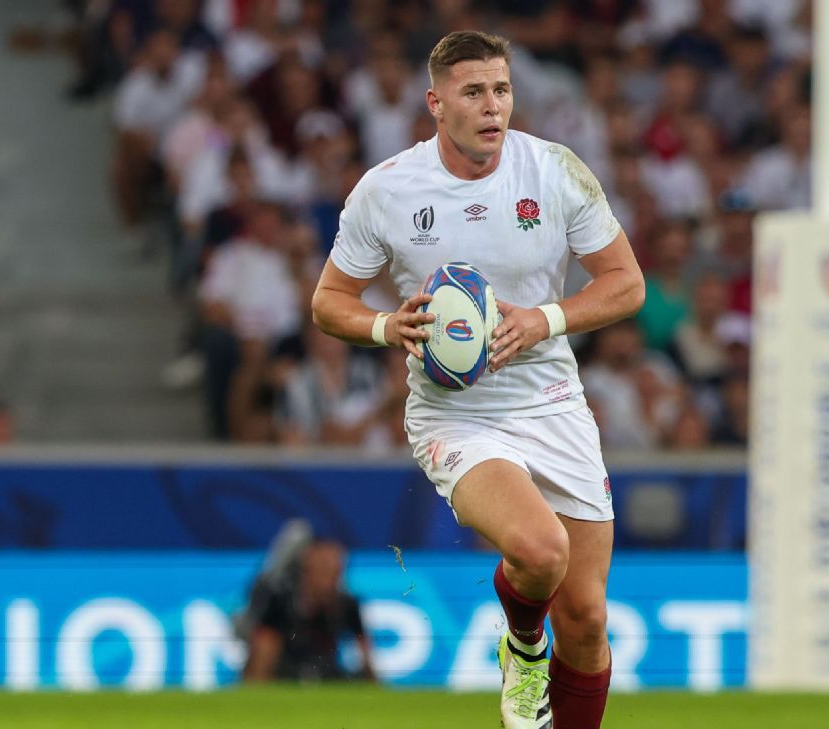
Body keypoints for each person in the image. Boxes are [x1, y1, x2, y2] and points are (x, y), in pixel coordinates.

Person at [310, 31, 643, 729]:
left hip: (552, 401)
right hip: (456, 414)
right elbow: (328, 301)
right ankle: (523, 648)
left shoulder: (553, 171)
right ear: (436, 103)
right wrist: (383, 326)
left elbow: (626, 283)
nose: (493, 107)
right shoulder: (389, 190)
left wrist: (544, 319)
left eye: (501, 90)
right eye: (473, 92)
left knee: (584, 615)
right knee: (539, 548)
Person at [241, 539, 376, 683]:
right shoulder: (282, 600)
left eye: (334, 572)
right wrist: (257, 687)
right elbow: (264, 648)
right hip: (285, 675)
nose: (328, 579)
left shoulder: (347, 604)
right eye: (323, 570)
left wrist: (375, 689)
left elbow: (365, 651)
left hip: (327, 676)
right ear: (307, 570)